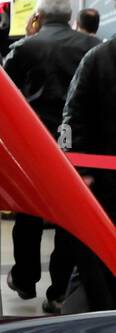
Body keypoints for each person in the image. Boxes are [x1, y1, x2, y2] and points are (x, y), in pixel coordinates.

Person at [2, 0, 100, 312]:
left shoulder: (24, 49)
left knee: (28, 215)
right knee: (69, 223)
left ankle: (25, 278)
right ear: (70, 15)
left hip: (34, 147)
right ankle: (59, 290)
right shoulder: (94, 48)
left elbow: (2, 96)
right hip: (78, 151)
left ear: (38, 15)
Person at [61, 30, 116, 311]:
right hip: (103, 185)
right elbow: (70, 120)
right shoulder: (97, 59)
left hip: (102, 181)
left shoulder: (97, 59)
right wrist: (77, 168)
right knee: (96, 265)